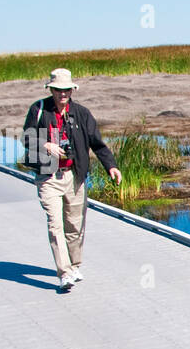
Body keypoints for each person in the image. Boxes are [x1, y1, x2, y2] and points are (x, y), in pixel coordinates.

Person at [20, 68, 121, 292]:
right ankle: (64, 272)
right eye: (58, 90)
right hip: (48, 177)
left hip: (75, 176)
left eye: (66, 90)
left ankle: (74, 265)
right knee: (55, 225)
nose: (62, 94)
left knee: (75, 226)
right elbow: (25, 137)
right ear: (51, 90)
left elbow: (97, 143)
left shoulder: (81, 113)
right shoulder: (38, 110)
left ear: (71, 90)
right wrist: (45, 145)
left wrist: (111, 166)